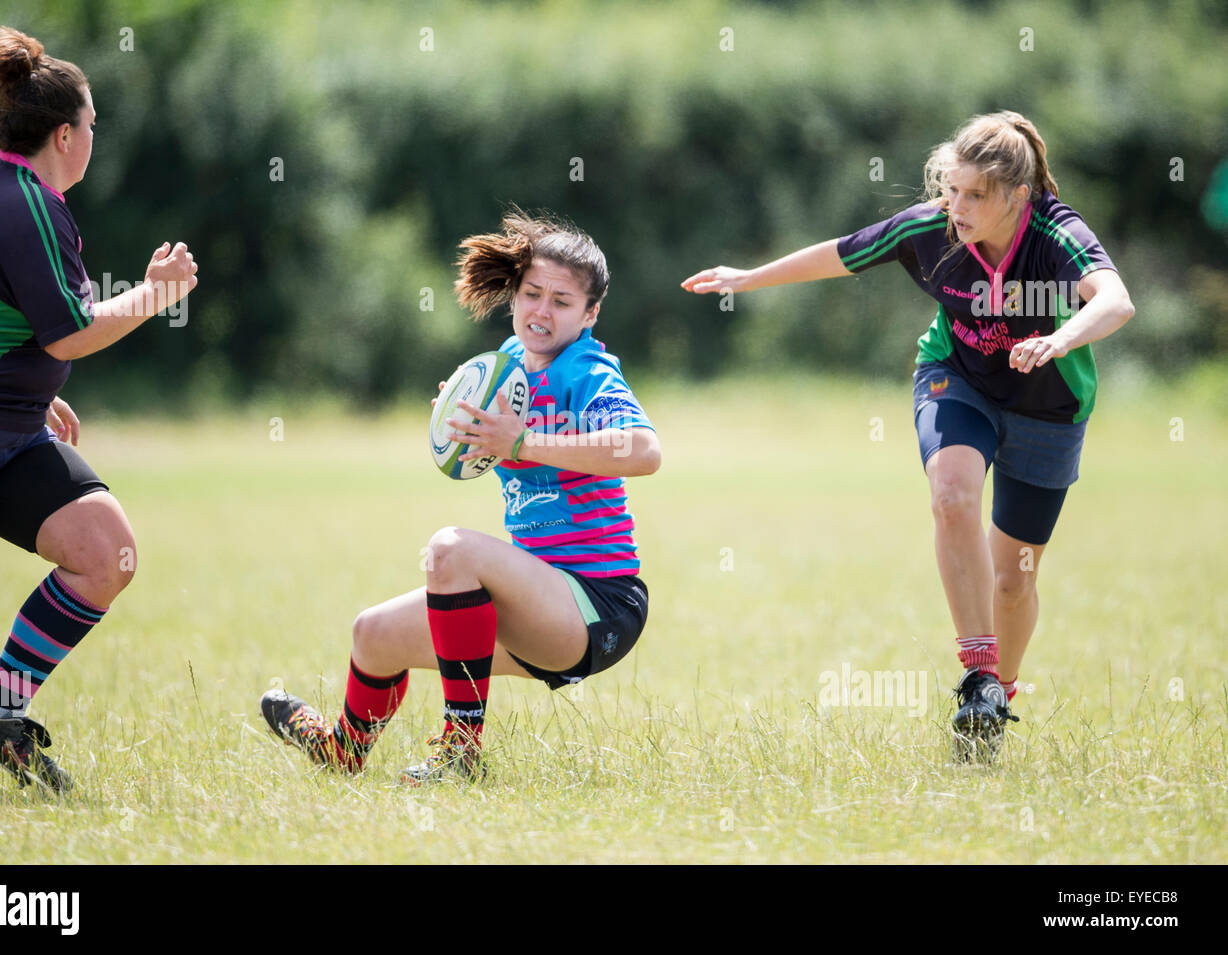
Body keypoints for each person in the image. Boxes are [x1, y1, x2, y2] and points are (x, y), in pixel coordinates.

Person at [682, 111, 1134, 759]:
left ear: (1017, 196)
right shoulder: (929, 229)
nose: (957, 205)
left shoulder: (1057, 233)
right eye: (952, 189)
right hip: (958, 378)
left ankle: (997, 696)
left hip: (1049, 405)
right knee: (951, 496)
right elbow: (838, 254)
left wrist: (1060, 338)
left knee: (1014, 580)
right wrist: (747, 279)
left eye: (975, 194)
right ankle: (978, 669)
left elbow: (1115, 301)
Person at [262, 210, 660, 784]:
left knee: (451, 550)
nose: (542, 312)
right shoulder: (506, 364)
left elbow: (645, 451)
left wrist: (522, 441)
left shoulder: (587, 369)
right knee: (372, 635)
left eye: (562, 302)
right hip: (534, 602)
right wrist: (461, 426)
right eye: (532, 294)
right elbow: (479, 457)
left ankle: (459, 754)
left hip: (597, 606)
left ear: (590, 313)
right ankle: (341, 750)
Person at [0, 27, 198, 791]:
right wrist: (157, 294)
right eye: (92, 125)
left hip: (3, 427)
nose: (93, 138)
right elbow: (73, 331)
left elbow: (5, 319)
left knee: (105, 552)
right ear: (64, 134)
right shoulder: (20, 203)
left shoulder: (26, 196)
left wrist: (32, 394)